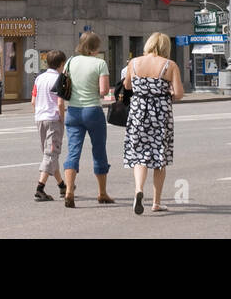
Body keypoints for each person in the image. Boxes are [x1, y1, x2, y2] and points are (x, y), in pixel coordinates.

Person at [123, 32, 183, 213]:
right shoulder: (169, 65)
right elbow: (179, 94)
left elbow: (127, 86)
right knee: (159, 157)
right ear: (166, 47)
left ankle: (138, 190)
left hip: (138, 112)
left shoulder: (133, 63)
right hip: (160, 113)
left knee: (139, 154)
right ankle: (156, 202)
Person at [62, 32, 112, 208]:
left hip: (73, 111)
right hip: (92, 111)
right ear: (95, 47)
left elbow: (64, 84)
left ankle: (69, 191)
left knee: (73, 152)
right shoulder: (100, 63)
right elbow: (104, 91)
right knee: (99, 151)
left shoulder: (70, 61)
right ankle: (102, 193)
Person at [32, 51, 67, 202]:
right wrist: (62, 117)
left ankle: (62, 186)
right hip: (53, 119)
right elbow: (60, 102)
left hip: (40, 118)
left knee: (50, 154)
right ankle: (40, 188)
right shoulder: (60, 79)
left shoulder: (39, 78)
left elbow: (33, 101)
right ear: (61, 64)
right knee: (51, 154)